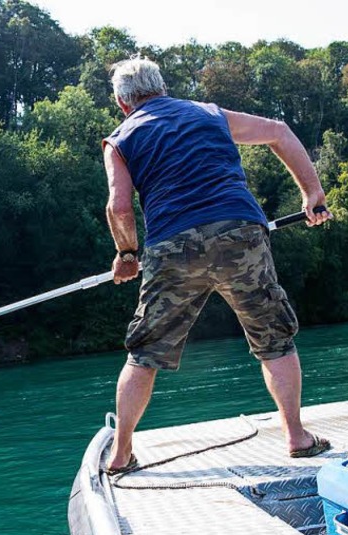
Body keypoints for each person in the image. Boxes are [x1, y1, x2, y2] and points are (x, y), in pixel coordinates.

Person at [102, 56, 333, 474]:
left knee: (145, 353)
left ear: (122, 104)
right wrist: (311, 192)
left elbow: (119, 206)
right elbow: (279, 132)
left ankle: (120, 454)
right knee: (273, 337)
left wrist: (128, 256)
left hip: (172, 247)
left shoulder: (120, 139)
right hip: (240, 233)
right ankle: (297, 437)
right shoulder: (210, 114)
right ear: (162, 88)